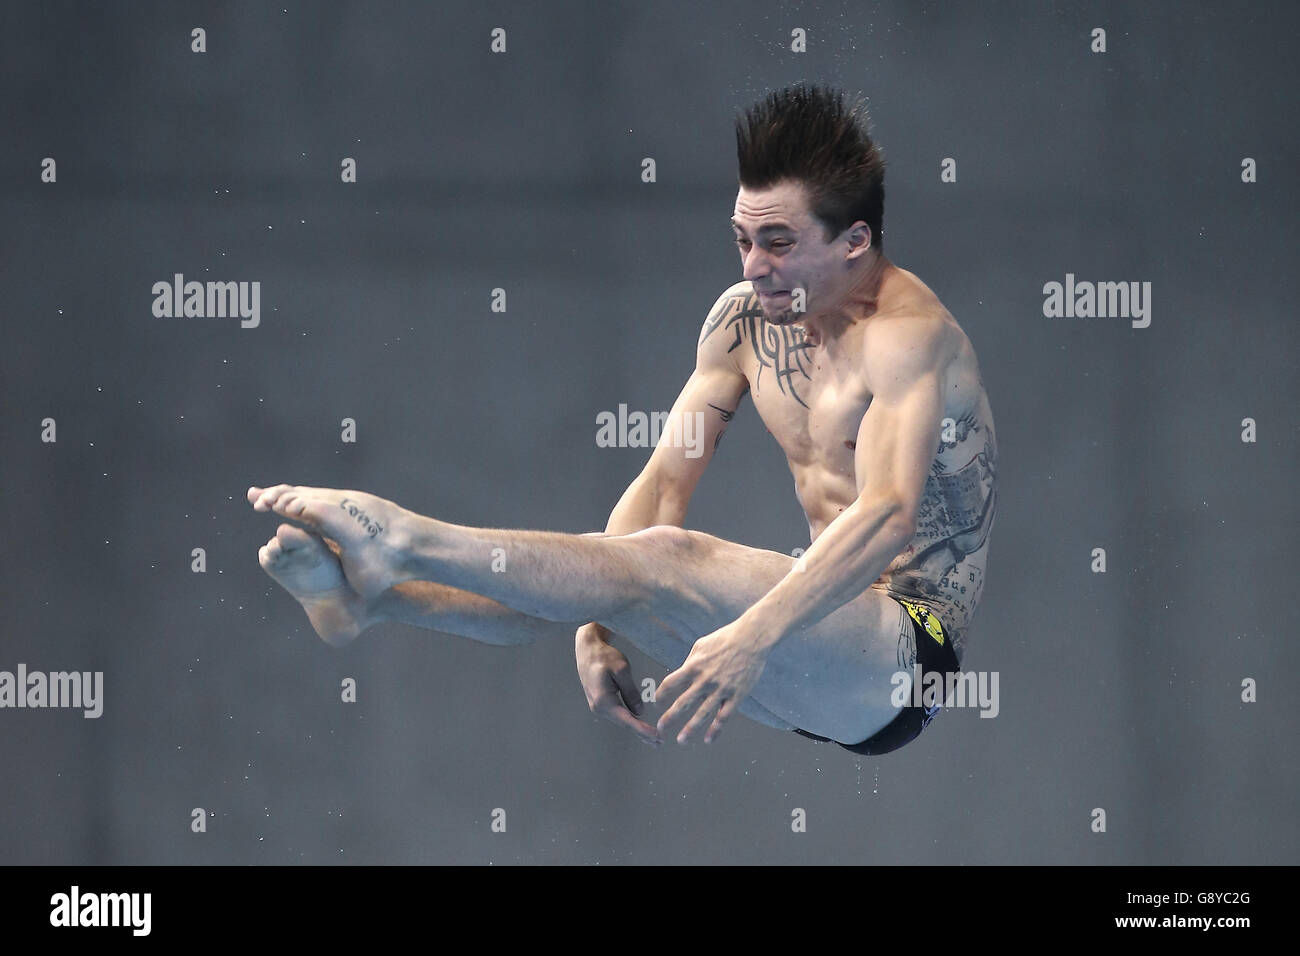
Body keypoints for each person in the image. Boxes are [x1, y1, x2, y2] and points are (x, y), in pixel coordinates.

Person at [249, 84, 997, 754]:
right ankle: (374, 600)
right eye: (742, 238)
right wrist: (595, 630)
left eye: (779, 243)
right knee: (588, 575)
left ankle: (404, 540)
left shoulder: (906, 338)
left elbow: (891, 513)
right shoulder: (740, 326)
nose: (751, 267)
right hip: (813, 629)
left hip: (907, 660)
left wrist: (751, 636)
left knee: (666, 563)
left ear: (855, 241)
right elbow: (664, 482)